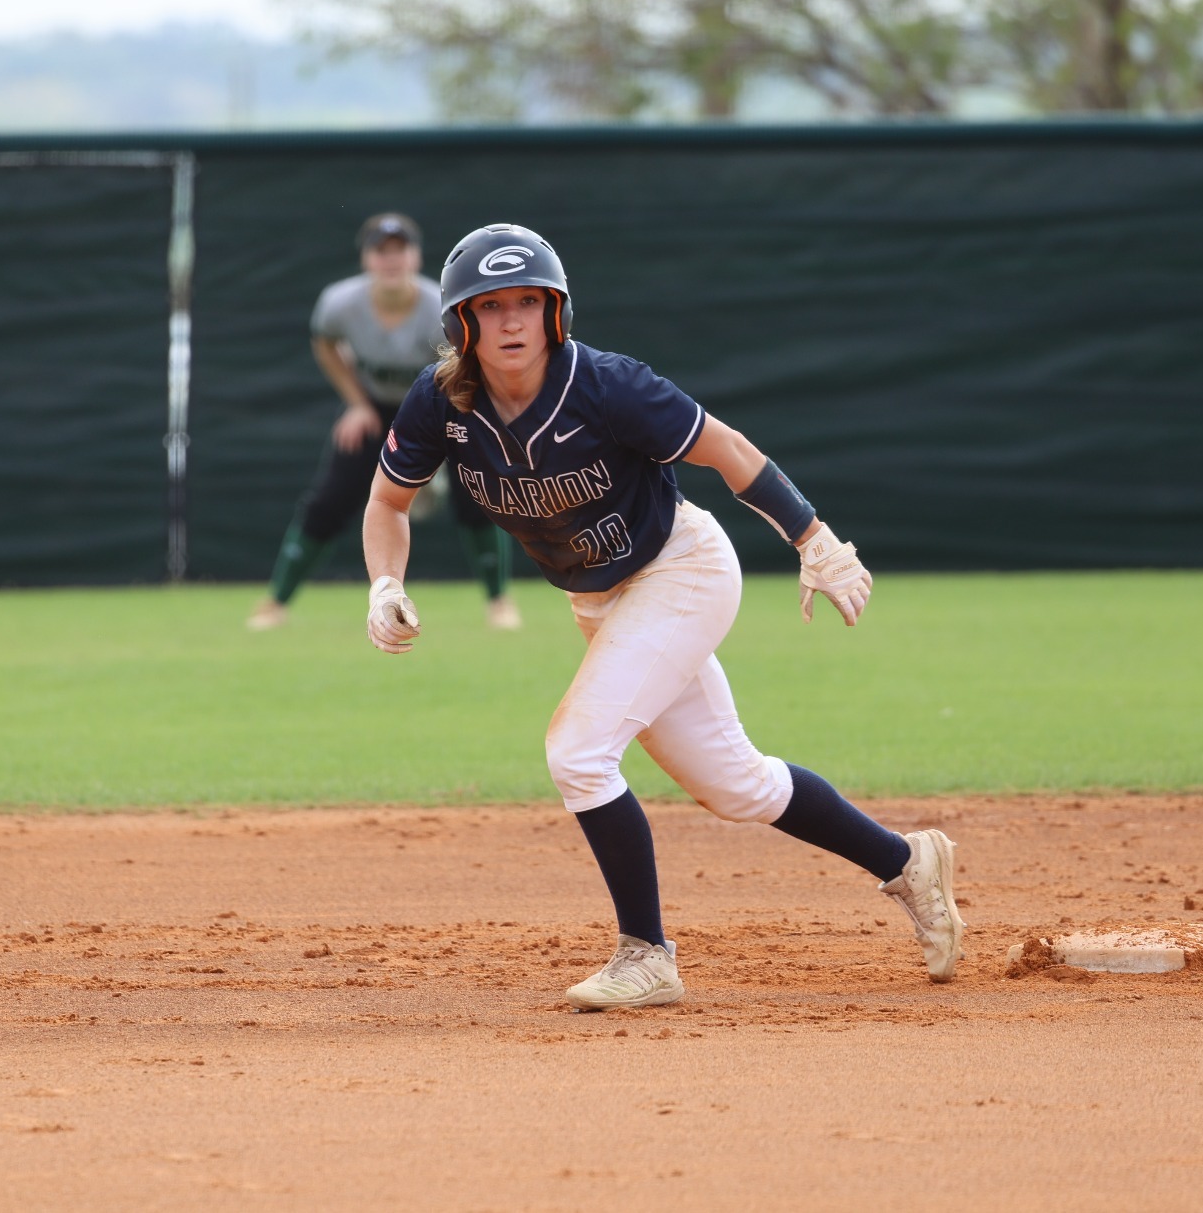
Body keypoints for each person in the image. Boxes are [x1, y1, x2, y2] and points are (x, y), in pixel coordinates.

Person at [360, 224, 964, 1010]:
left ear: (555, 313)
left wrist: (813, 538)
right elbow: (386, 502)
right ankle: (909, 861)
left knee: (578, 753)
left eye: (528, 304)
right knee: (736, 784)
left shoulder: (609, 385)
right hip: (600, 599)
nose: (512, 322)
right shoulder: (441, 400)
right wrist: (384, 582)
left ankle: (647, 954)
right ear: (460, 324)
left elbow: (728, 449)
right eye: (491, 306)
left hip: (681, 571)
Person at [249, 212, 519, 631]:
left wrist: (444, 435)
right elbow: (324, 344)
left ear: (416, 257)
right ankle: (275, 603)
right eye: (381, 251)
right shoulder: (339, 302)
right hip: (376, 408)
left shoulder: (439, 306)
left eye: (400, 250)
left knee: (479, 497)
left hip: (443, 401)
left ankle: (499, 602)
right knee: (328, 501)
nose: (391, 260)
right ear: (366, 259)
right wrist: (356, 403)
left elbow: (468, 363)